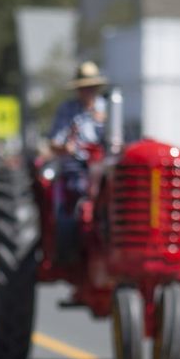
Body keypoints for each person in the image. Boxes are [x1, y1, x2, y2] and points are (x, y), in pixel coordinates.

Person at [48, 62, 108, 263]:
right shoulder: (68, 110)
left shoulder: (106, 109)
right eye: (84, 87)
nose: (88, 91)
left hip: (103, 167)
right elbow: (55, 143)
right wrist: (67, 148)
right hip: (77, 167)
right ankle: (70, 245)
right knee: (75, 190)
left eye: (91, 87)